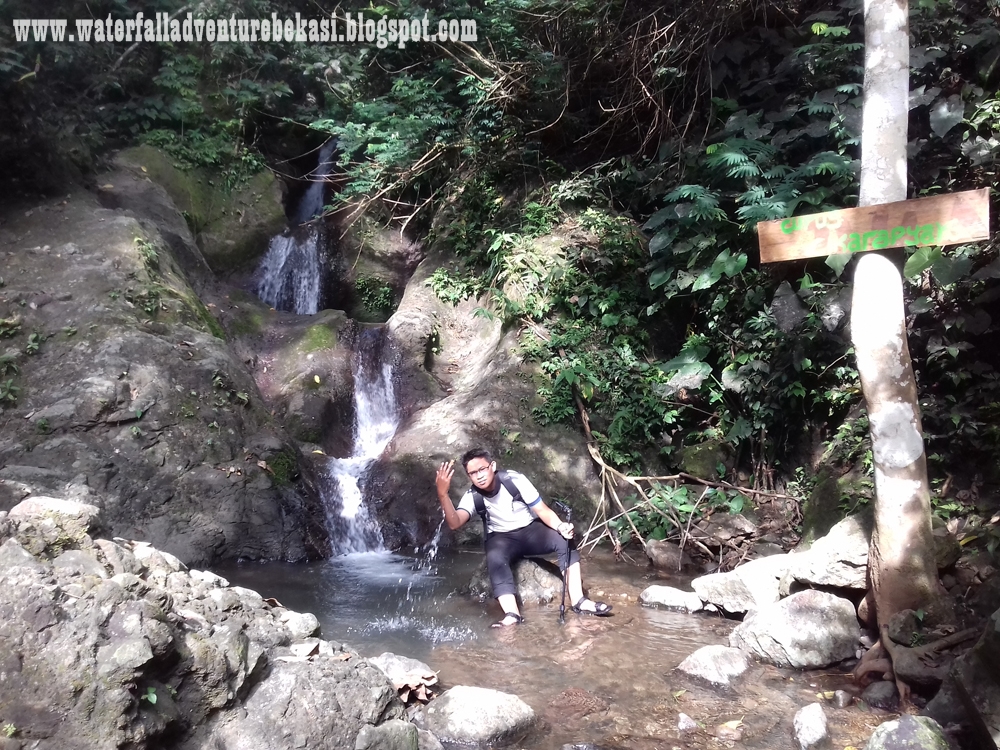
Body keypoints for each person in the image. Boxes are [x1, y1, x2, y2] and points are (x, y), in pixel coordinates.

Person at [435, 447, 613, 628]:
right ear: (469, 476)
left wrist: (561, 526)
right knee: (494, 556)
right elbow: (455, 522)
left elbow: (542, 510)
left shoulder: (514, 480)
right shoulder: (473, 496)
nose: (479, 476)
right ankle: (512, 614)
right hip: (502, 539)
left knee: (564, 539)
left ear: (492, 466)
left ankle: (579, 601)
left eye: (482, 469)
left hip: (531, 532)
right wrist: (443, 494)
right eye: (473, 473)